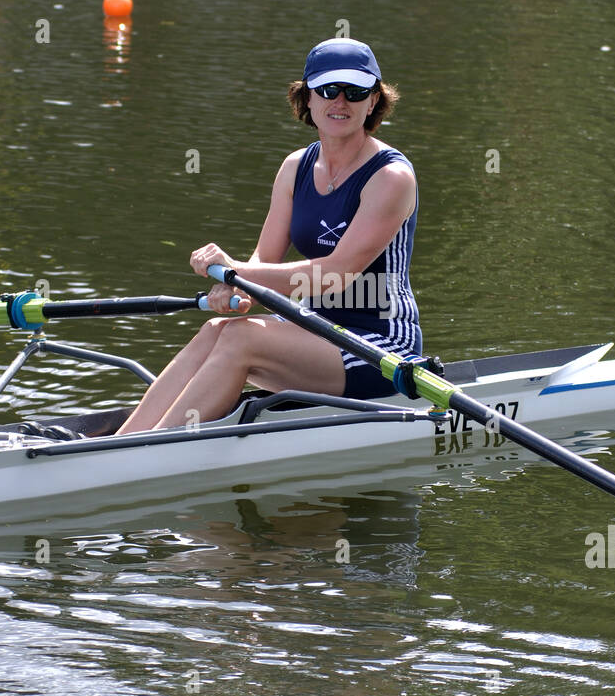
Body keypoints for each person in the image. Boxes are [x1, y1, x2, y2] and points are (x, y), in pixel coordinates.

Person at [116, 37, 420, 434]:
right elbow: (263, 263)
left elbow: (337, 274)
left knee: (241, 339)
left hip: (379, 347)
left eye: (355, 91)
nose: (340, 102)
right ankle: (126, 439)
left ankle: (146, 453)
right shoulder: (295, 167)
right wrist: (235, 289)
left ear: (373, 101)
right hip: (310, 329)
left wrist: (236, 271)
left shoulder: (391, 177)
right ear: (306, 98)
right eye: (328, 90)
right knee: (216, 329)